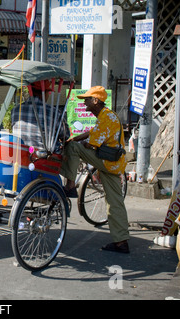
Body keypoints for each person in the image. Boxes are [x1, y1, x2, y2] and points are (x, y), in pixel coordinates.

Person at [60, 86, 130, 253]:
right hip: (114, 164)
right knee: (115, 203)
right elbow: (93, 132)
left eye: (87, 99)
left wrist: (76, 142)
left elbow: (91, 143)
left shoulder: (106, 117)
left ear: (96, 101)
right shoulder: (107, 115)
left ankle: (70, 186)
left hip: (106, 161)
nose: (85, 102)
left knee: (74, 148)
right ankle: (121, 242)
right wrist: (76, 137)